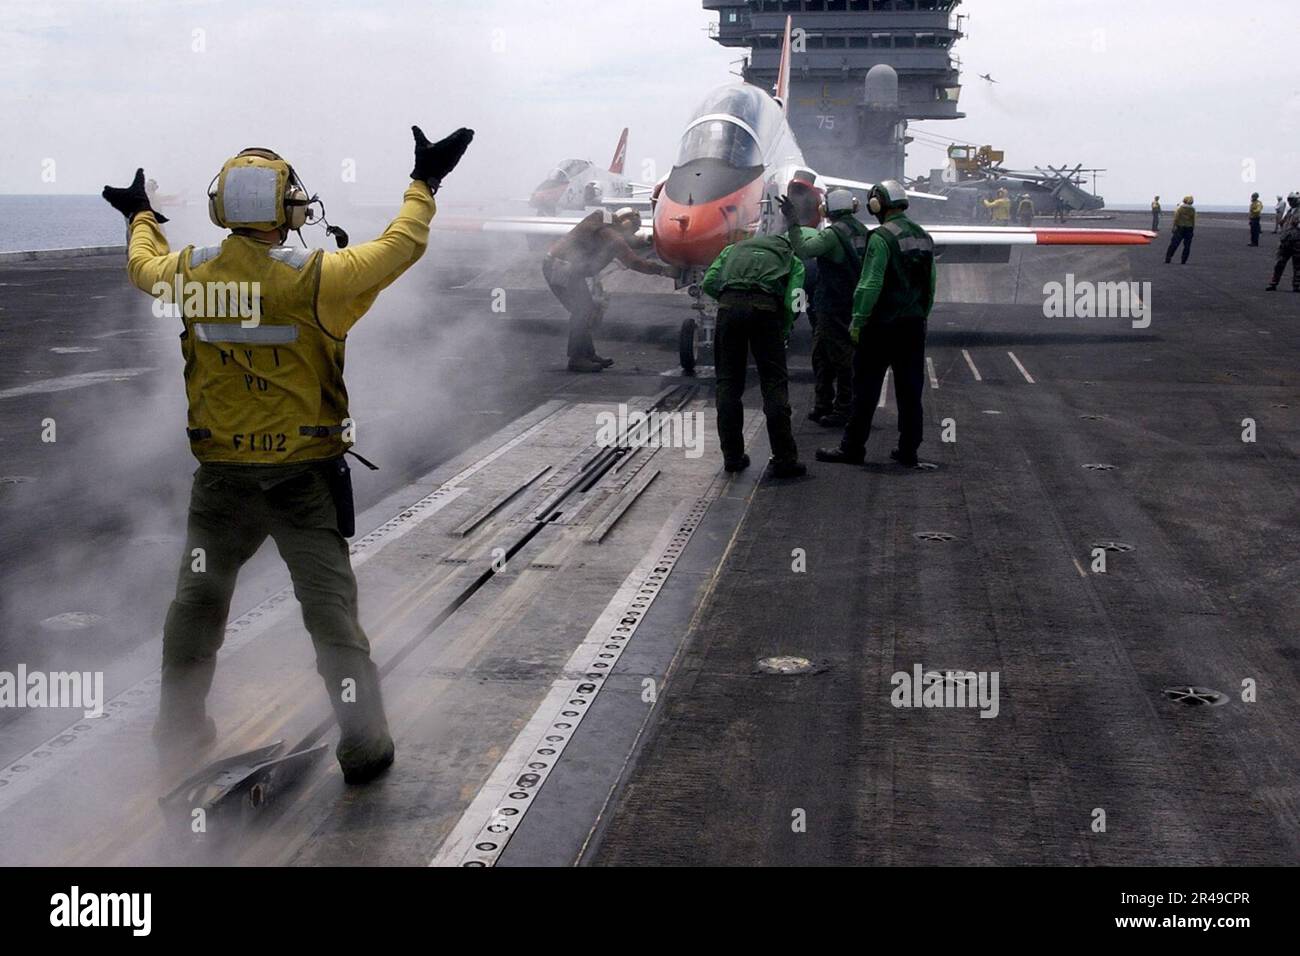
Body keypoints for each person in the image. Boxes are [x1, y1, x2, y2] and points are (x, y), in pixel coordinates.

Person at [100, 125, 474, 785]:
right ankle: (363, 746)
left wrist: (140, 215)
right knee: (331, 618)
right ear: (292, 210)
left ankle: (178, 740)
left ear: (221, 210)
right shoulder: (320, 279)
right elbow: (402, 244)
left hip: (220, 487)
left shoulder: (189, 275)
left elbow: (140, 267)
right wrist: (425, 183)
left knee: (195, 611)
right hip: (302, 484)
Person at [816, 180, 936, 469]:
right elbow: (930, 284)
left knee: (865, 390)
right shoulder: (923, 236)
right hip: (913, 326)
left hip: (881, 327)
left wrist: (857, 320)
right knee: (910, 391)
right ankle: (908, 451)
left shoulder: (881, 237)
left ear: (876, 205)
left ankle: (852, 448)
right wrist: (921, 314)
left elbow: (870, 284)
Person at [700, 196, 807, 479]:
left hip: (729, 309)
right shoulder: (791, 258)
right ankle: (784, 459)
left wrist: (729, 300)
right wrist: (783, 329)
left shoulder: (733, 249)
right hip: (766, 312)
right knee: (773, 384)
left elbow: (709, 282)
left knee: (727, 384)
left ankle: (733, 457)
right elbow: (795, 302)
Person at [543, 207, 675, 372]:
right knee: (582, 311)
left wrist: (649, 239)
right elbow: (634, 262)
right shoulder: (611, 236)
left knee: (585, 309)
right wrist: (663, 270)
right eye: (634, 228)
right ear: (626, 223)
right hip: (561, 268)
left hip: (565, 267)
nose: (633, 234)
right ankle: (577, 358)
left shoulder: (604, 225)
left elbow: (628, 240)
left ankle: (588, 354)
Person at [792, 188, 869, 428]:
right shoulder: (863, 231)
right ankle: (824, 404)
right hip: (851, 301)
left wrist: (793, 224)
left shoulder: (832, 235)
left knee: (837, 358)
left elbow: (803, 250)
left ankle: (842, 408)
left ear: (827, 210)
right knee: (824, 354)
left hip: (832, 304)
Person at [1266, 192, 1300, 292]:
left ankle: (1296, 285)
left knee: (1297, 265)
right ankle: (1274, 283)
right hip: (1286, 241)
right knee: (1279, 263)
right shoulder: (1290, 211)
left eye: (1292, 200)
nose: (1290, 202)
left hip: (1297, 241)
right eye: (1289, 200)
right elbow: (1283, 222)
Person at [1165, 195, 1196, 264]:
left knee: (1174, 244)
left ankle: (1168, 257)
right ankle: (1183, 260)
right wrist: (1193, 228)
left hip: (1180, 227)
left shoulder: (1180, 208)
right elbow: (1193, 220)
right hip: (1189, 228)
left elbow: (1176, 218)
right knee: (1187, 246)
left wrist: (1173, 227)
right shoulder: (1192, 209)